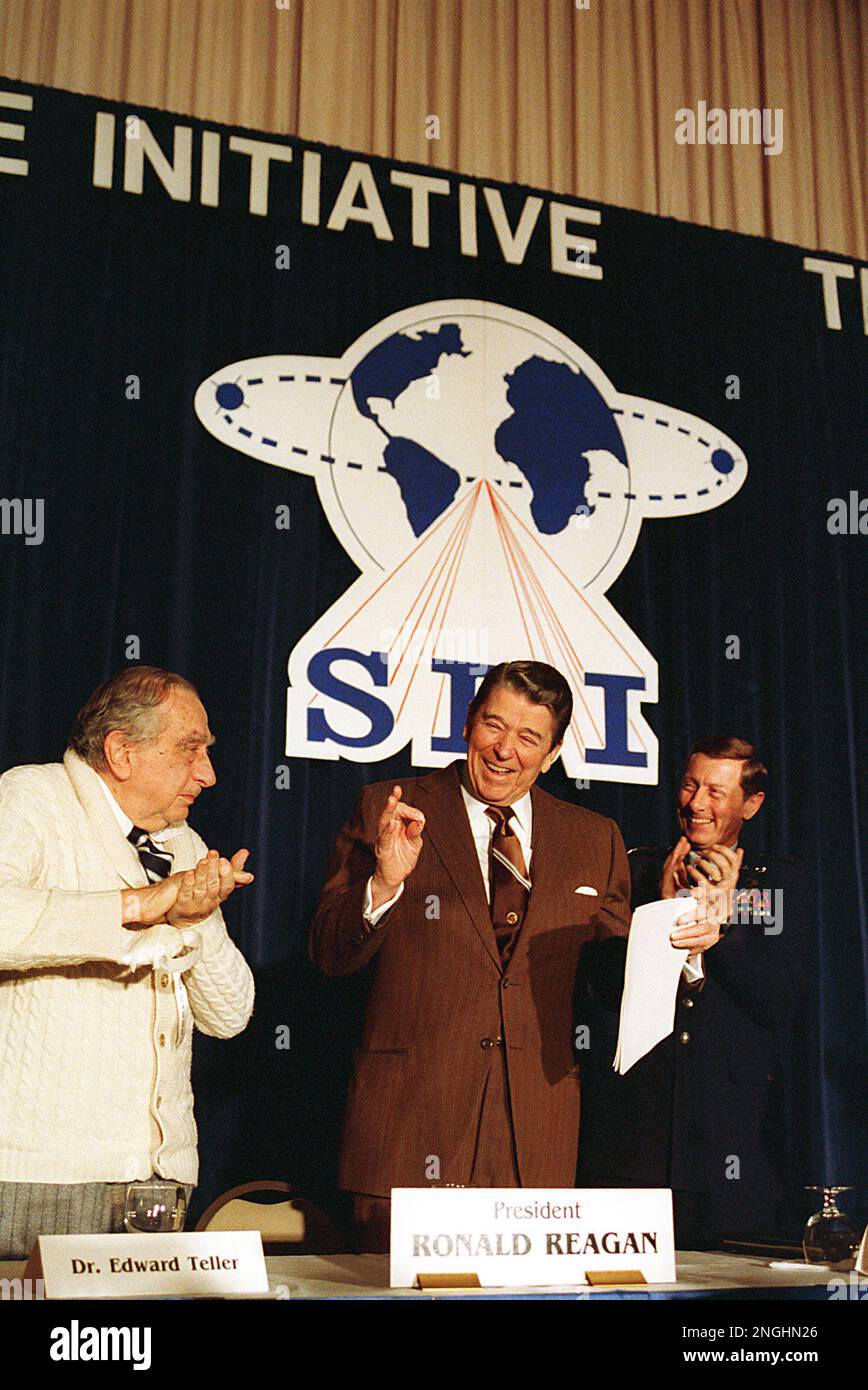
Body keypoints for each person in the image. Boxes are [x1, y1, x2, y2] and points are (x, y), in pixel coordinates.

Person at [310, 659, 632, 1251]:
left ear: (553, 752)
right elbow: (330, 953)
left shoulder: (596, 838)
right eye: (493, 725)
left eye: (529, 737)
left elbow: (609, 986)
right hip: (408, 1129)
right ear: (467, 725)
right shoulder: (391, 805)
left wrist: (677, 952)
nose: (505, 749)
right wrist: (383, 884)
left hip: (534, 1138)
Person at [0, 667, 255, 1257]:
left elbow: (231, 1014)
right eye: (191, 751)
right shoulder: (33, 797)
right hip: (40, 1176)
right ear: (121, 750)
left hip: (158, 1183)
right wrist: (144, 904)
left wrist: (190, 920)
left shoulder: (182, 845)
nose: (208, 775)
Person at [577, 736, 807, 1250]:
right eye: (689, 785)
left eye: (716, 792)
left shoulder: (774, 885)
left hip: (730, 1144)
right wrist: (658, 913)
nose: (697, 803)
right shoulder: (636, 869)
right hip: (633, 1137)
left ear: (751, 804)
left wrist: (723, 929)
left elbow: (778, 1001)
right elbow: (595, 989)